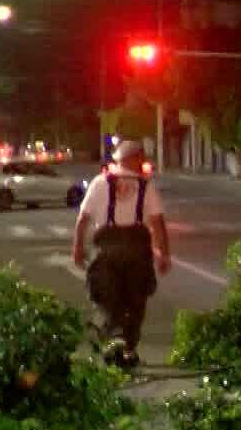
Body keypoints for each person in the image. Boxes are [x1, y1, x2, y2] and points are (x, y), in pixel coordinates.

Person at [70, 140, 170, 368]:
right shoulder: (146, 186)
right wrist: (164, 254)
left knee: (107, 301)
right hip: (137, 253)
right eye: (141, 158)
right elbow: (157, 222)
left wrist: (78, 248)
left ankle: (115, 343)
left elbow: (83, 219)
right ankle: (128, 349)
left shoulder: (100, 182)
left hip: (106, 252)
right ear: (134, 159)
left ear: (118, 160)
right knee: (135, 303)